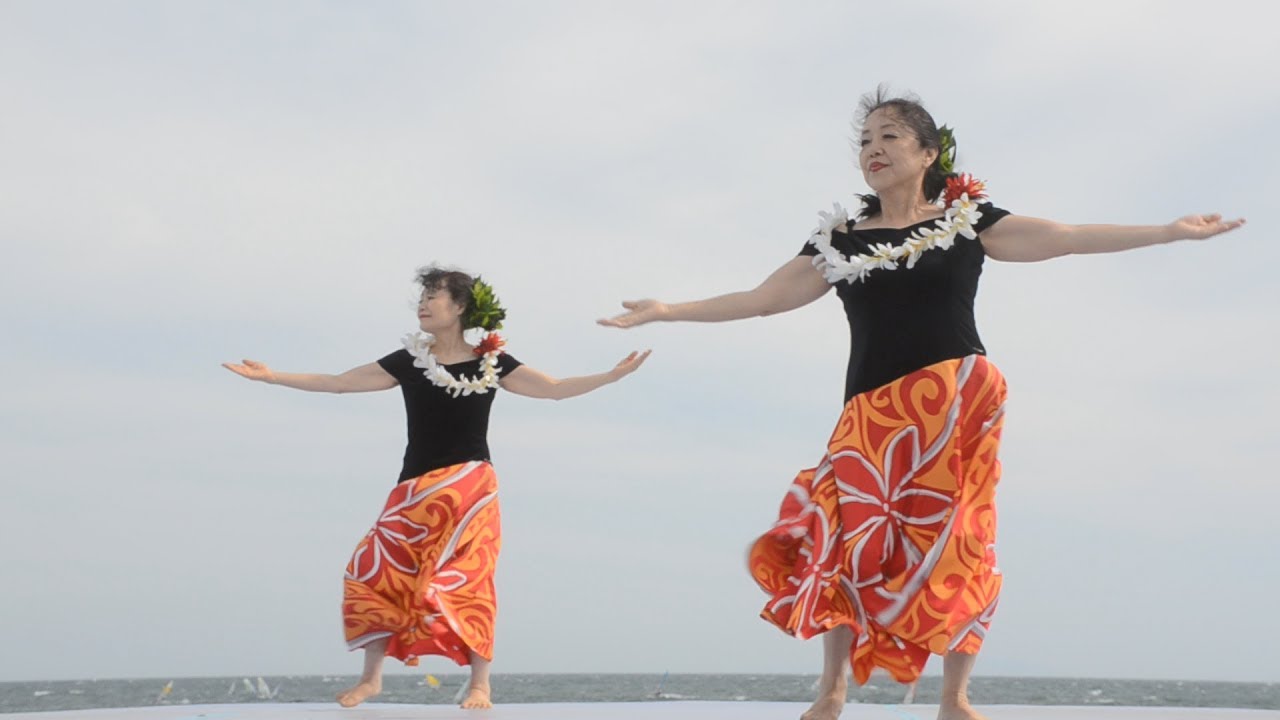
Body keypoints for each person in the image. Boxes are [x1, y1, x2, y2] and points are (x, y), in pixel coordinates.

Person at [599, 87, 1244, 720]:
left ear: (928, 152)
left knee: (964, 541)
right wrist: (667, 311)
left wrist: (1167, 232)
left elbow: (1066, 235)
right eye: (864, 141)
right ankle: (832, 690)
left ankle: (954, 698)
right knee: (849, 538)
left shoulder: (967, 223)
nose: (873, 150)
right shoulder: (840, 242)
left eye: (889, 137)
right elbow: (763, 298)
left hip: (958, 404)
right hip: (872, 414)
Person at [225, 266, 650, 710]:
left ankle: (480, 684)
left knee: (469, 579)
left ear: (461, 307)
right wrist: (272, 377)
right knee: (373, 570)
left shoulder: (493, 362)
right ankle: (371, 679)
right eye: (422, 298)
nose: (423, 305)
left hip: (471, 488)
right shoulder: (409, 361)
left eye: (434, 297)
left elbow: (555, 389)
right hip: (413, 490)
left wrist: (609, 377)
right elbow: (341, 382)